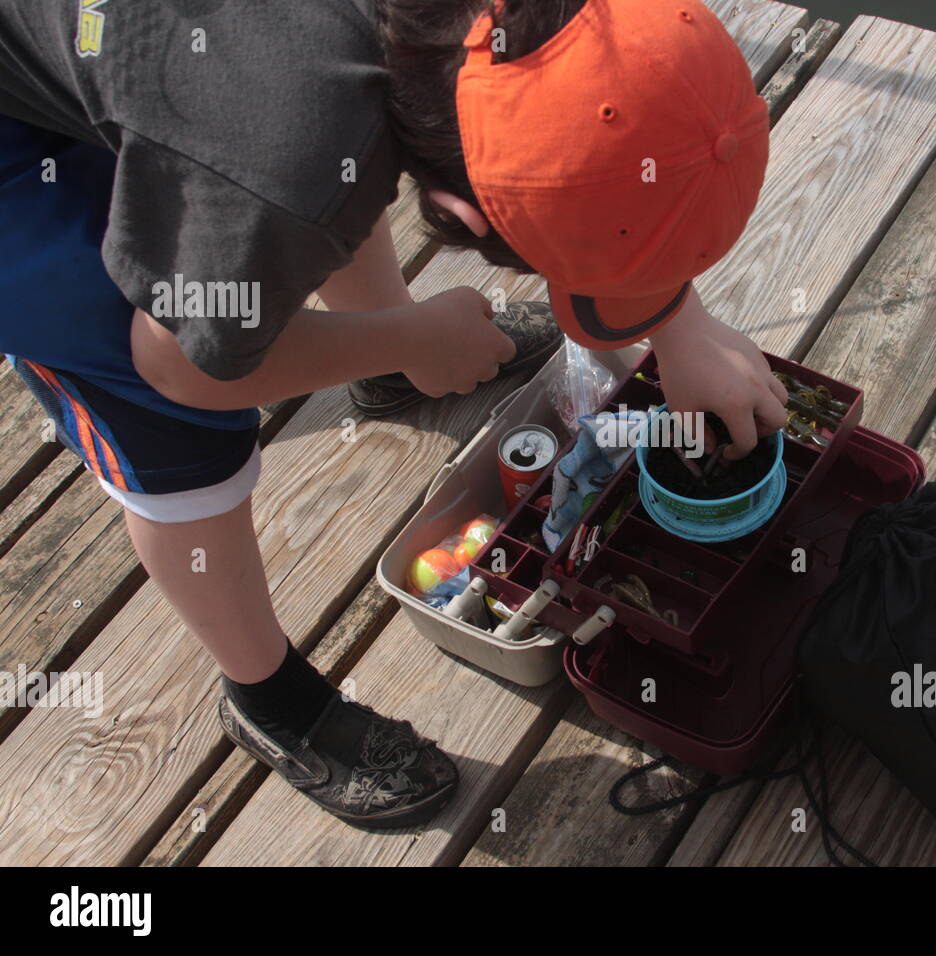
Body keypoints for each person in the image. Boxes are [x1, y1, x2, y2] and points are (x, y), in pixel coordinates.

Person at [0, 0, 786, 827]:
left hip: (186, 68)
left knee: (323, 165)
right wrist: (405, 335)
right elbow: (178, 366)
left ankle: (395, 369)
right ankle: (269, 702)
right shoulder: (286, 149)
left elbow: (376, 137)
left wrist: (681, 325)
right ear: (455, 218)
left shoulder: (389, 78)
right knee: (164, 423)